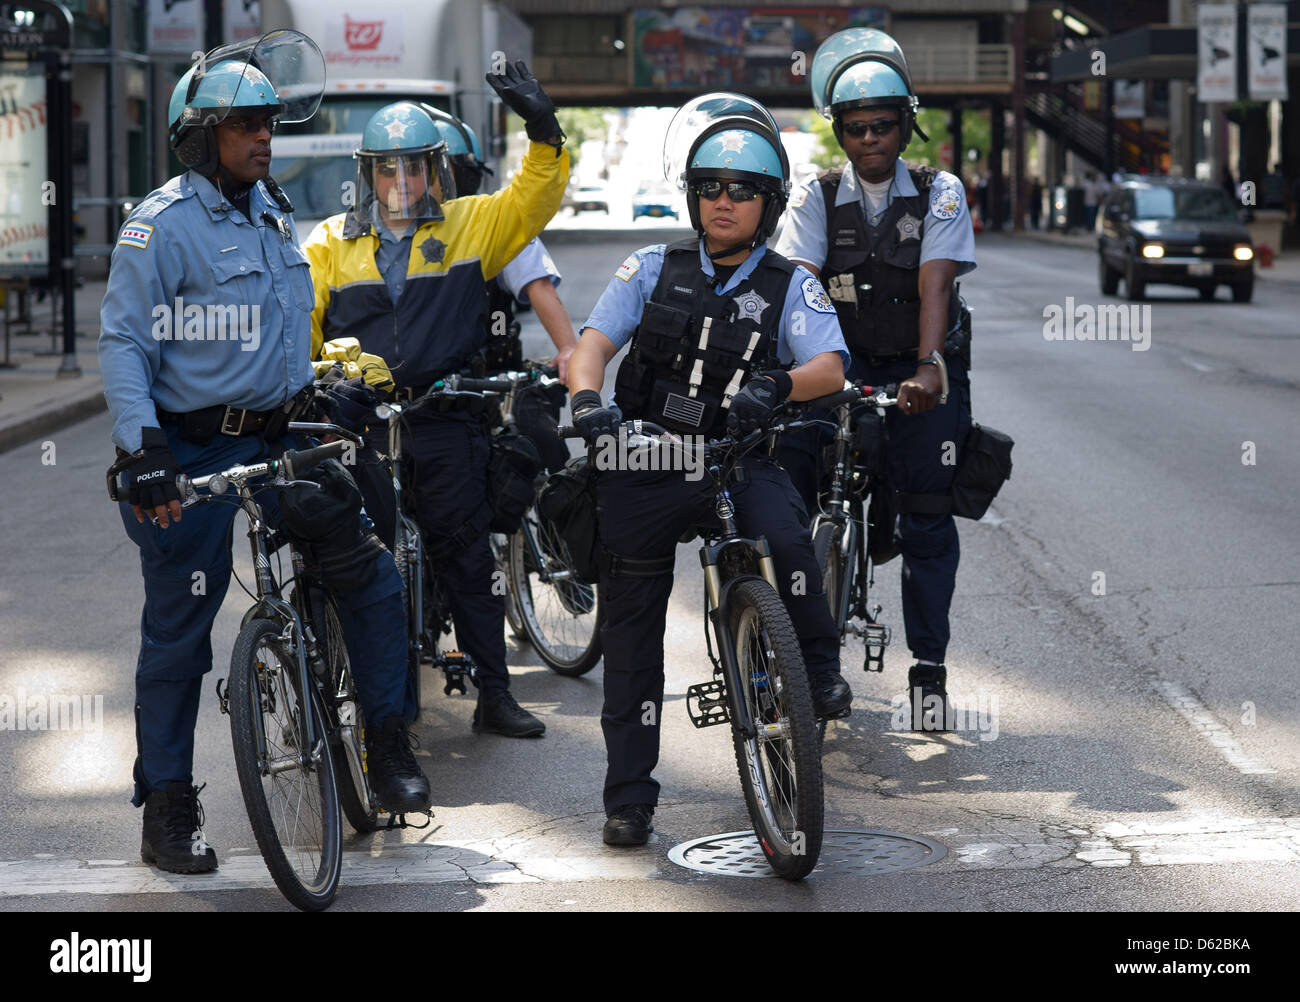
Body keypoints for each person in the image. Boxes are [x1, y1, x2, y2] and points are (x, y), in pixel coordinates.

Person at [98, 34, 431, 874]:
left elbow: (279, 331)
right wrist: (143, 449)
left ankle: (386, 740)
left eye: (268, 123)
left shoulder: (272, 212)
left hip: (276, 436)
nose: (263, 137)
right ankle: (167, 806)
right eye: (244, 124)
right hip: (186, 451)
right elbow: (124, 344)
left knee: (370, 568)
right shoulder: (159, 227)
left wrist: (320, 388)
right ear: (197, 136)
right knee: (179, 631)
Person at [567, 93, 852, 847]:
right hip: (646, 456)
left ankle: (816, 669)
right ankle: (629, 799)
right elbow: (592, 345)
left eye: (743, 191)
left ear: (770, 204)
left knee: (785, 542)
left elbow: (830, 366)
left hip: (737, 457)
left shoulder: (792, 284)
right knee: (631, 636)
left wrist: (779, 384)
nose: (724, 203)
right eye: (711, 188)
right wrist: (588, 400)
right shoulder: (649, 267)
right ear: (693, 196)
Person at [302, 63, 569, 739]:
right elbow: (299, 333)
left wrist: (543, 128)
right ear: (367, 174)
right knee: (361, 561)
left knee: (468, 556)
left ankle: (495, 695)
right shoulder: (328, 243)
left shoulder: (473, 224)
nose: (401, 181)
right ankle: (380, 712)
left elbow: (534, 198)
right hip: (361, 426)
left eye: (414, 167)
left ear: (434, 170)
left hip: (445, 418)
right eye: (386, 169)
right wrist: (313, 394)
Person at [774, 27, 975, 731]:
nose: (869, 139)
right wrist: (798, 369)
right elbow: (798, 282)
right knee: (788, 489)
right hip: (841, 361)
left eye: (882, 125)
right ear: (840, 132)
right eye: (855, 128)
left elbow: (934, 284)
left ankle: (928, 669)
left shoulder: (940, 192)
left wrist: (927, 369)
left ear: (905, 124)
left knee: (926, 516)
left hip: (921, 367)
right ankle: (802, 656)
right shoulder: (816, 195)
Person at [426, 109, 577, 474]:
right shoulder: (390, 234)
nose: (428, 182)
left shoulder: (492, 223)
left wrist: (568, 349)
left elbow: (538, 284)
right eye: (420, 170)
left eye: (439, 170)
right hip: (413, 388)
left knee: (544, 450)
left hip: (491, 381)